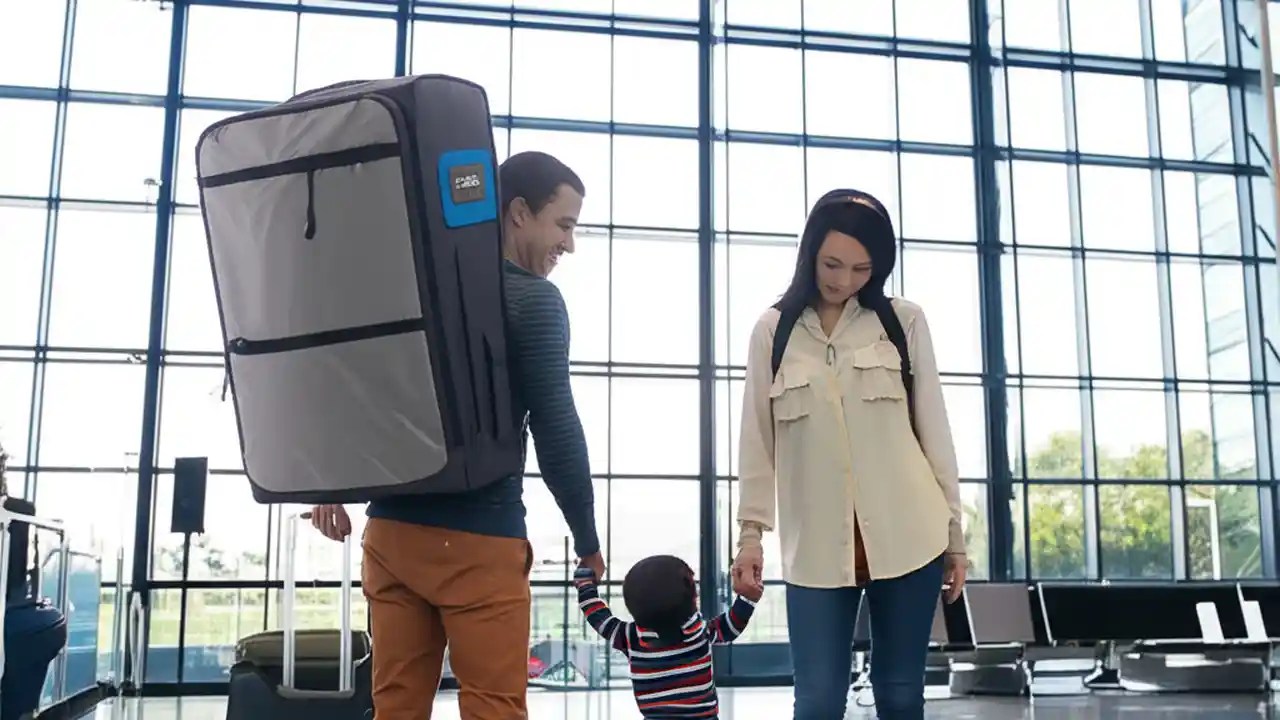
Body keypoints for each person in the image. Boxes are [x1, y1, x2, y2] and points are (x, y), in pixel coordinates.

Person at [309, 150, 606, 720]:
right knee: (494, 709)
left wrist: (328, 482)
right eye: (563, 225)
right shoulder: (533, 301)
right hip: (478, 539)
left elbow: (356, 387)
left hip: (392, 534)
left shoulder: (414, 288)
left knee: (395, 709)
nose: (568, 244)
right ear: (519, 212)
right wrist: (586, 538)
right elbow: (556, 427)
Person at [730, 189, 966, 720]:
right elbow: (757, 441)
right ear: (810, 251)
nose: (843, 279)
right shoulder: (773, 331)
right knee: (816, 701)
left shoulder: (904, 323)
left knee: (901, 694)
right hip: (814, 547)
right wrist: (750, 536)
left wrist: (955, 538)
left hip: (912, 537)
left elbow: (935, 432)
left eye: (863, 268)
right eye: (832, 263)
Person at [573, 555, 761, 718]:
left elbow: (597, 615)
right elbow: (730, 627)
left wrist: (585, 582)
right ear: (691, 599)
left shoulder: (632, 637)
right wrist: (748, 599)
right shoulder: (696, 632)